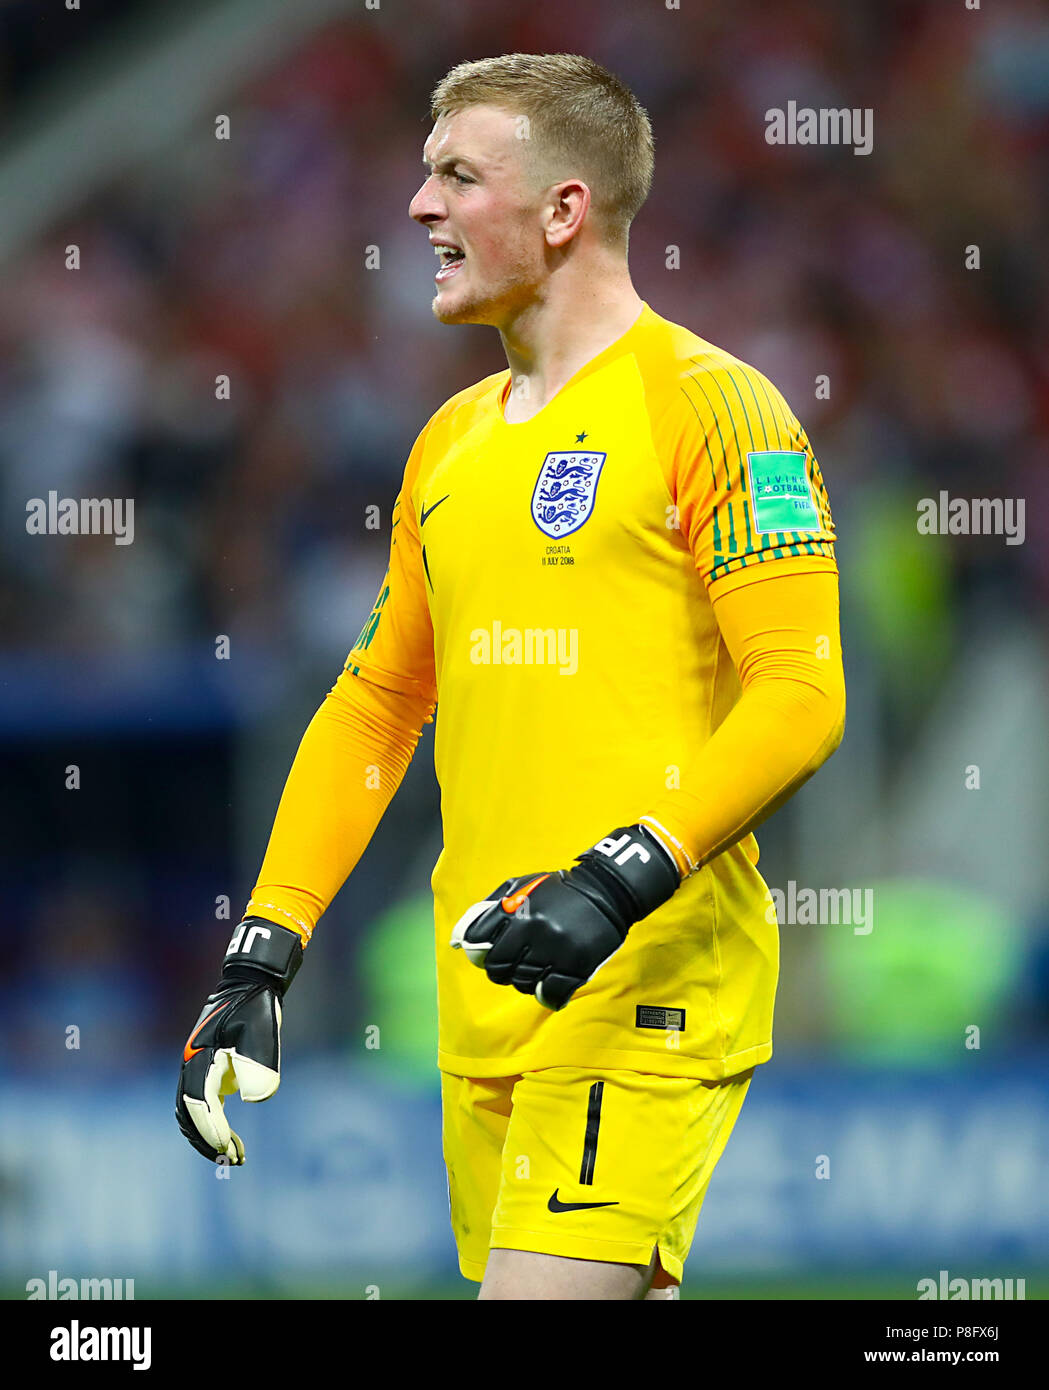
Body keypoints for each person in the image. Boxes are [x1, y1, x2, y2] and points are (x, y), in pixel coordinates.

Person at [176, 52, 846, 1301]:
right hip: (487, 989)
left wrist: (619, 874)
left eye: (454, 176)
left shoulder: (715, 408)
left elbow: (801, 693)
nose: (418, 207)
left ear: (562, 210)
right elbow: (379, 702)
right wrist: (264, 946)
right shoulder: (448, 440)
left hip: (640, 980)